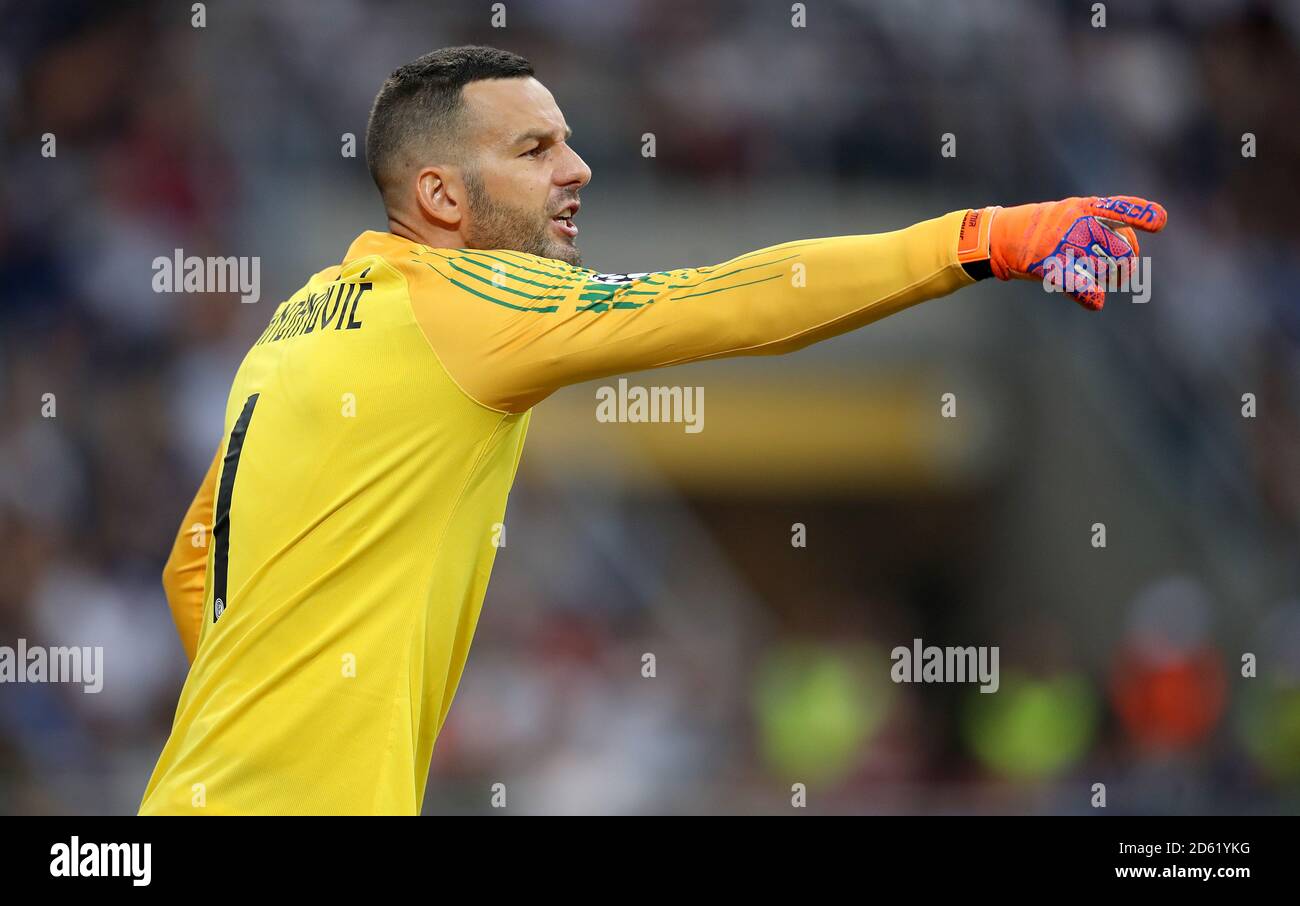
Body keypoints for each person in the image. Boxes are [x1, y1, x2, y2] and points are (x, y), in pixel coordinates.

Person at [139, 45, 1167, 815]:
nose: (578, 167)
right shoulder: (466, 300)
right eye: (535, 148)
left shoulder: (297, 324)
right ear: (442, 195)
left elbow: (198, 565)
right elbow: (733, 300)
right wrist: (976, 239)